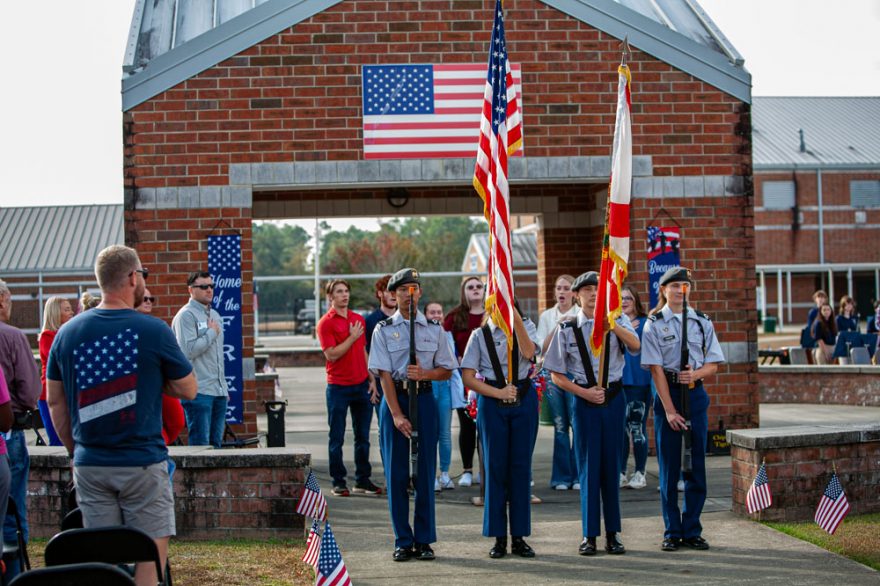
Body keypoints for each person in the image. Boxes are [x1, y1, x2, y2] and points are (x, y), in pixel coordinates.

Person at [46, 245, 197, 586]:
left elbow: (55, 402)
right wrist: (153, 379)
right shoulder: (153, 329)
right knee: (149, 559)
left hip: (90, 464)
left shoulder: (66, 334)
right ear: (131, 277)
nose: (144, 280)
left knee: (101, 563)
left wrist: (75, 449)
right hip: (142, 462)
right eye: (143, 273)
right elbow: (188, 388)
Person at [543, 272, 640, 556]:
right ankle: (589, 535)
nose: (593, 294)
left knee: (612, 466)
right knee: (588, 468)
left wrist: (613, 326)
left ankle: (613, 533)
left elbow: (635, 346)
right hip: (584, 400)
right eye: (586, 290)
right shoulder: (567, 327)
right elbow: (556, 373)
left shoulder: (617, 319)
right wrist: (583, 393)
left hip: (613, 399)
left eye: (597, 289)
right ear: (576, 295)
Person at [369, 268, 455, 562]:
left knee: (425, 472)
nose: (409, 294)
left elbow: (447, 369)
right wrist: (396, 415)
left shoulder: (434, 329)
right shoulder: (382, 329)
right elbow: (383, 374)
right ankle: (402, 540)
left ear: (419, 293)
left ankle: (424, 540)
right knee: (397, 473)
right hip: (396, 398)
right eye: (403, 290)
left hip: (425, 398)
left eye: (414, 289)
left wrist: (425, 374)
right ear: (393, 295)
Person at [641, 267, 725, 552]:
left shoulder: (701, 321)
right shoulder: (653, 323)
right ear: (663, 290)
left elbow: (713, 364)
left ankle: (692, 529)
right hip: (669, 395)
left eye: (684, 286)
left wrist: (695, 374)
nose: (680, 290)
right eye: (674, 286)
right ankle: (671, 531)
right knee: (669, 468)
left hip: (695, 395)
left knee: (695, 465)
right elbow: (655, 370)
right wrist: (668, 410)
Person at [461, 298, 540, 559]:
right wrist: (498, 392)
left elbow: (530, 354)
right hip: (493, 400)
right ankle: (498, 538)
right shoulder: (480, 334)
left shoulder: (527, 325)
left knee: (520, 467)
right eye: (496, 302)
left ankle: (519, 537)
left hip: (523, 398)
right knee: (494, 468)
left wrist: (516, 320)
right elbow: (468, 377)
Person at [316, 279, 381, 497]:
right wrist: (352, 337)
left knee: (363, 437)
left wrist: (372, 379)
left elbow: (363, 351)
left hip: (361, 385)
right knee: (337, 437)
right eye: (339, 292)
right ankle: (338, 481)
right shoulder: (325, 323)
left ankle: (362, 480)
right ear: (330, 297)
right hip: (338, 388)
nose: (344, 295)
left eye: (346, 291)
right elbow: (331, 355)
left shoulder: (357, 319)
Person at [0, 278, 41, 580]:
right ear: (2, 302)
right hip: (8, 427)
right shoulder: (12, 336)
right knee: (11, 512)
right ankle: (14, 576)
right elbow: (29, 391)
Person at [172, 271, 229, 448]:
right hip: (199, 391)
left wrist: (223, 387)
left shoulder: (215, 315)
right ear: (191, 290)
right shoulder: (186, 316)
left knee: (216, 445)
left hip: (218, 391)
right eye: (203, 286)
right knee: (200, 447)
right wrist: (211, 333)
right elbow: (188, 351)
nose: (209, 290)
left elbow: (217, 356)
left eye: (211, 286)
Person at [536, 274, 580, 491]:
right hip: (552, 374)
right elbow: (541, 348)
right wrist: (558, 326)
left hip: (575, 374)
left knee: (577, 423)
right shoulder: (547, 316)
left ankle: (579, 476)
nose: (562, 292)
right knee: (561, 426)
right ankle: (561, 477)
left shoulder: (580, 314)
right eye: (558, 288)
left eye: (566, 288)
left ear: (574, 293)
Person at [138, 288, 185, 475]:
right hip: (147, 447)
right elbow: (176, 418)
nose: (149, 301)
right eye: (144, 298)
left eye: (151, 298)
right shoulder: (156, 331)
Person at [443, 277, 485, 487]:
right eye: (470, 287)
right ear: (464, 292)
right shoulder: (454, 317)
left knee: (486, 426)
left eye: (479, 287)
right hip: (463, 379)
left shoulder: (493, 314)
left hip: (487, 379)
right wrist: (455, 360)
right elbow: (443, 345)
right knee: (467, 425)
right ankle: (467, 470)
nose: (475, 290)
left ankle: (485, 470)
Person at [424, 301, 465, 492]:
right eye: (432, 312)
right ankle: (430, 475)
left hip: (445, 386)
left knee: (445, 433)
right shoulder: (421, 334)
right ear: (425, 315)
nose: (436, 315)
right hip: (428, 385)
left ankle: (445, 473)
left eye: (439, 312)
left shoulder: (448, 335)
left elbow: (453, 362)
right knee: (429, 433)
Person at [620, 285, 652, 490]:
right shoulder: (613, 322)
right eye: (621, 298)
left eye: (628, 298)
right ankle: (621, 471)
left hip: (639, 381)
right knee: (620, 429)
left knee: (637, 427)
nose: (624, 302)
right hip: (618, 382)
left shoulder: (645, 323)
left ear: (636, 301)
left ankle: (640, 472)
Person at [38, 296, 75, 446]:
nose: (72, 312)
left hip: (67, 393)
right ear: (55, 313)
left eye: (70, 309)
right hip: (50, 394)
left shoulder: (67, 335)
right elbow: (60, 361)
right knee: (58, 440)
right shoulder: (47, 336)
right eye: (67, 309)